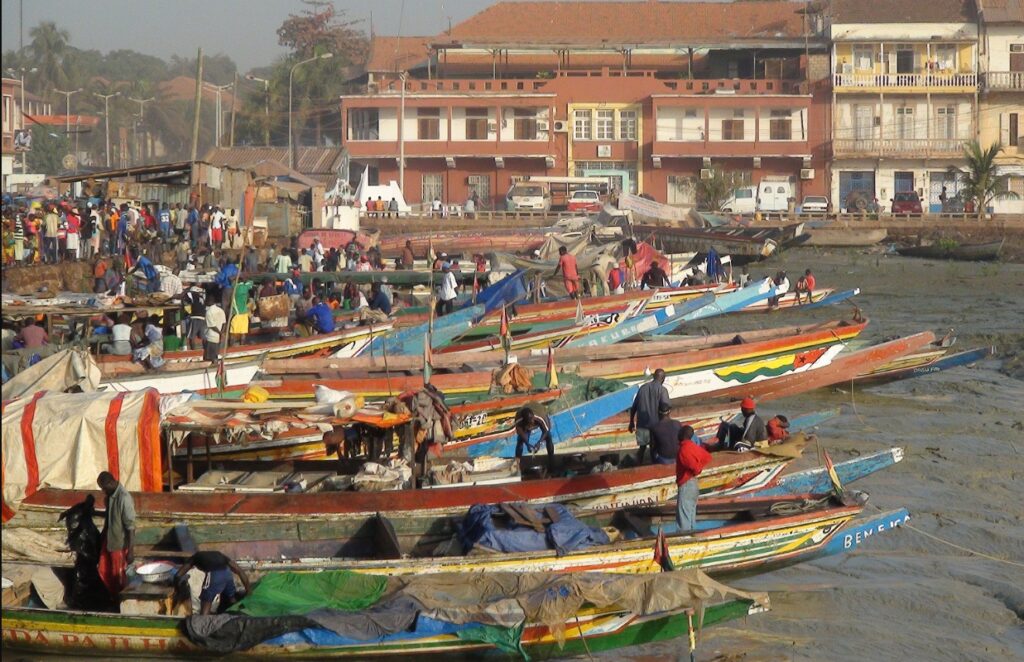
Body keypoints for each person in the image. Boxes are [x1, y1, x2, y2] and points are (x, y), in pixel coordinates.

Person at [175, 550, 252, 614]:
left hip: (214, 574)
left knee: (206, 601)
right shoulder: (220, 554)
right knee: (231, 599)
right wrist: (248, 591)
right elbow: (239, 571)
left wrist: (177, 590)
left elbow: (178, 575)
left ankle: (203, 623)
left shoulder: (194, 558)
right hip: (227, 573)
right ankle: (234, 616)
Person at [96, 471, 135, 596]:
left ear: (110, 483)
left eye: (103, 488)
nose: (103, 491)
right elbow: (109, 517)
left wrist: (131, 551)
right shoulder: (109, 497)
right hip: (109, 541)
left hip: (120, 544)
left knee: (118, 576)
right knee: (103, 570)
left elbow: (131, 527)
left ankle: (119, 601)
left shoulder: (124, 498)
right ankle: (112, 597)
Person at [629, 368, 670, 464]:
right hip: (656, 426)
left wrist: (631, 422)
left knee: (642, 449)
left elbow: (634, 407)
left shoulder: (642, 388)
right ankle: (653, 470)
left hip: (642, 424)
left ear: (653, 376)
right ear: (663, 379)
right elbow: (666, 407)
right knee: (654, 450)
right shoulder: (662, 390)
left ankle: (637, 468)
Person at [675, 425, 711, 532]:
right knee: (690, 514)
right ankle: (692, 537)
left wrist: (696, 470)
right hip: (693, 483)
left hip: (686, 484)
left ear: (682, 435)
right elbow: (707, 457)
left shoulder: (683, 450)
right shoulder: (693, 446)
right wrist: (697, 469)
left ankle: (684, 540)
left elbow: (693, 466)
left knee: (684, 517)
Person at [203, 293, 226, 362]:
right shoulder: (221, 310)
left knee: (209, 358)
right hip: (217, 337)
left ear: (209, 301)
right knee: (215, 355)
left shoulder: (209, 312)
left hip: (210, 337)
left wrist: (220, 333)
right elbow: (224, 323)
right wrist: (221, 332)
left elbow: (212, 326)